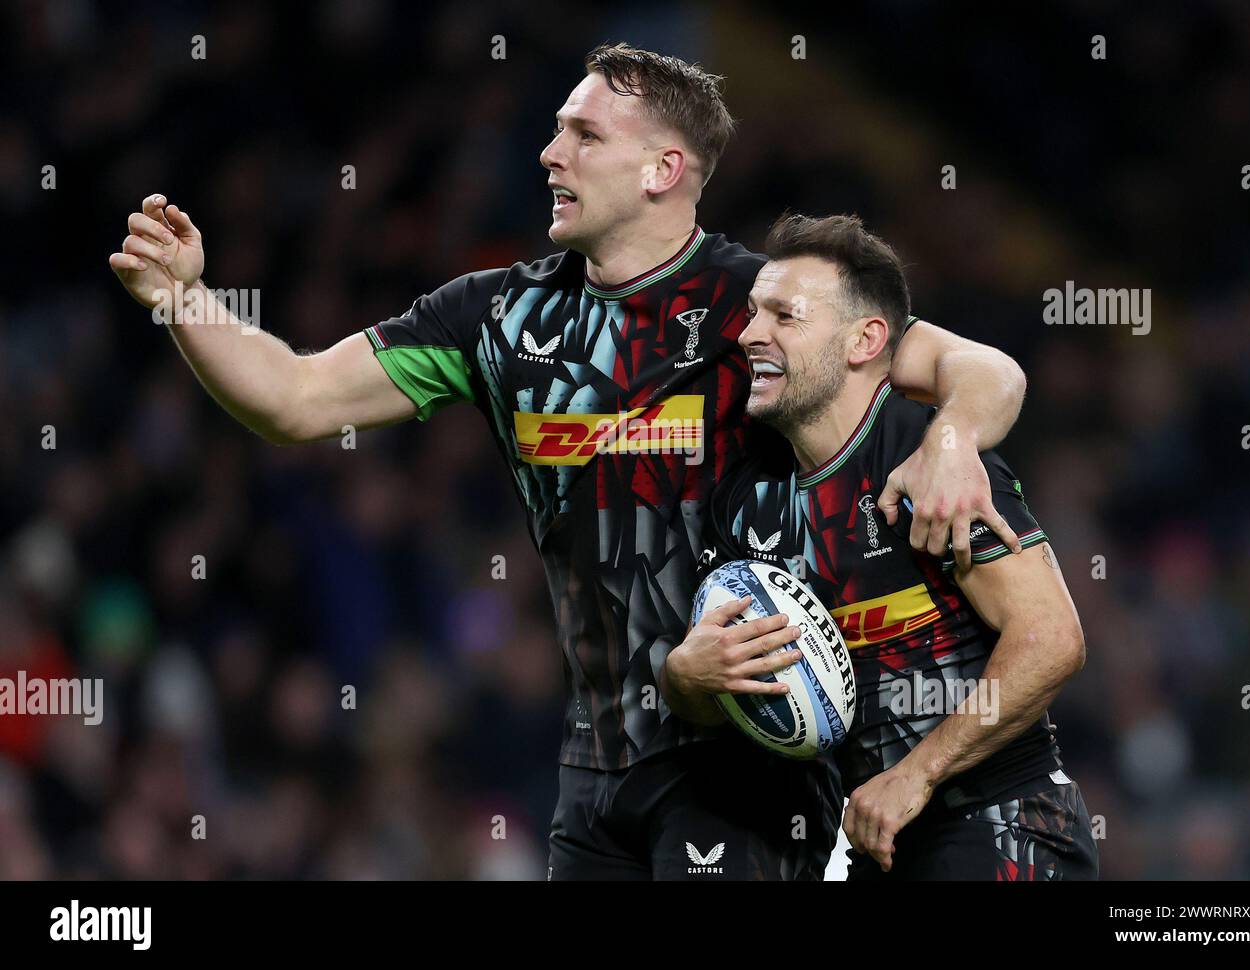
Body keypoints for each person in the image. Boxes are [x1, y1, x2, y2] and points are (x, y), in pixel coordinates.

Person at [109, 45, 1029, 880]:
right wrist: (183, 302)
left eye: (583, 134)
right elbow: (297, 400)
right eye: (554, 131)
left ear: (664, 169)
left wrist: (951, 439)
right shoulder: (495, 317)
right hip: (594, 768)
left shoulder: (762, 308)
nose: (550, 154)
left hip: (748, 767)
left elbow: (982, 368)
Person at [668, 212, 1098, 880]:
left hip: (1003, 825)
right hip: (879, 841)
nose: (750, 335)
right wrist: (686, 680)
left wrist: (917, 775)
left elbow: (1051, 639)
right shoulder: (746, 499)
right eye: (753, 314)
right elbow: (729, 687)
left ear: (865, 341)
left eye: (785, 316)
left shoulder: (922, 453)